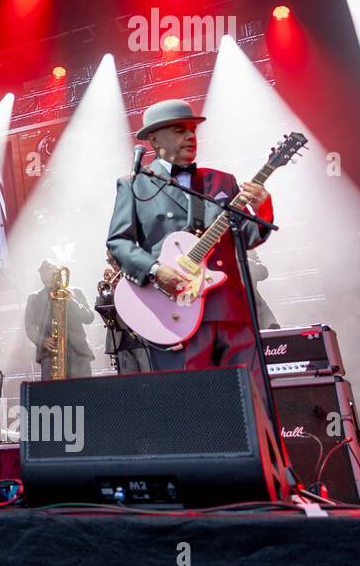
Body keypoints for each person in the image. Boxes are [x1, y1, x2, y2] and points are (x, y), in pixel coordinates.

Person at [106, 99, 273, 377]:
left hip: (230, 310)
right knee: (194, 400)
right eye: (180, 130)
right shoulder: (134, 184)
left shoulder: (222, 181)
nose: (190, 136)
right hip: (175, 313)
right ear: (154, 138)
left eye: (192, 130)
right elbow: (118, 243)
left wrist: (264, 209)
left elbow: (245, 238)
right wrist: (156, 271)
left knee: (250, 397)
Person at [23, 260, 96, 380]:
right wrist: (42, 340)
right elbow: (29, 326)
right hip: (50, 354)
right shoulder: (34, 297)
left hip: (78, 353)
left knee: (84, 394)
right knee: (54, 395)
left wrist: (70, 298)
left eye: (49, 269)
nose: (44, 272)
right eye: (42, 270)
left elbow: (88, 317)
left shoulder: (76, 292)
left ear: (57, 271)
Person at [94, 252, 151, 372]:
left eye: (115, 260)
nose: (113, 265)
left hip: (143, 340)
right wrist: (104, 292)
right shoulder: (112, 282)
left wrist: (123, 286)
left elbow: (145, 304)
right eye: (110, 261)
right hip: (121, 342)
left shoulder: (138, 276)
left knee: (151, 381)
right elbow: (107, 317)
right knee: (129, 387)